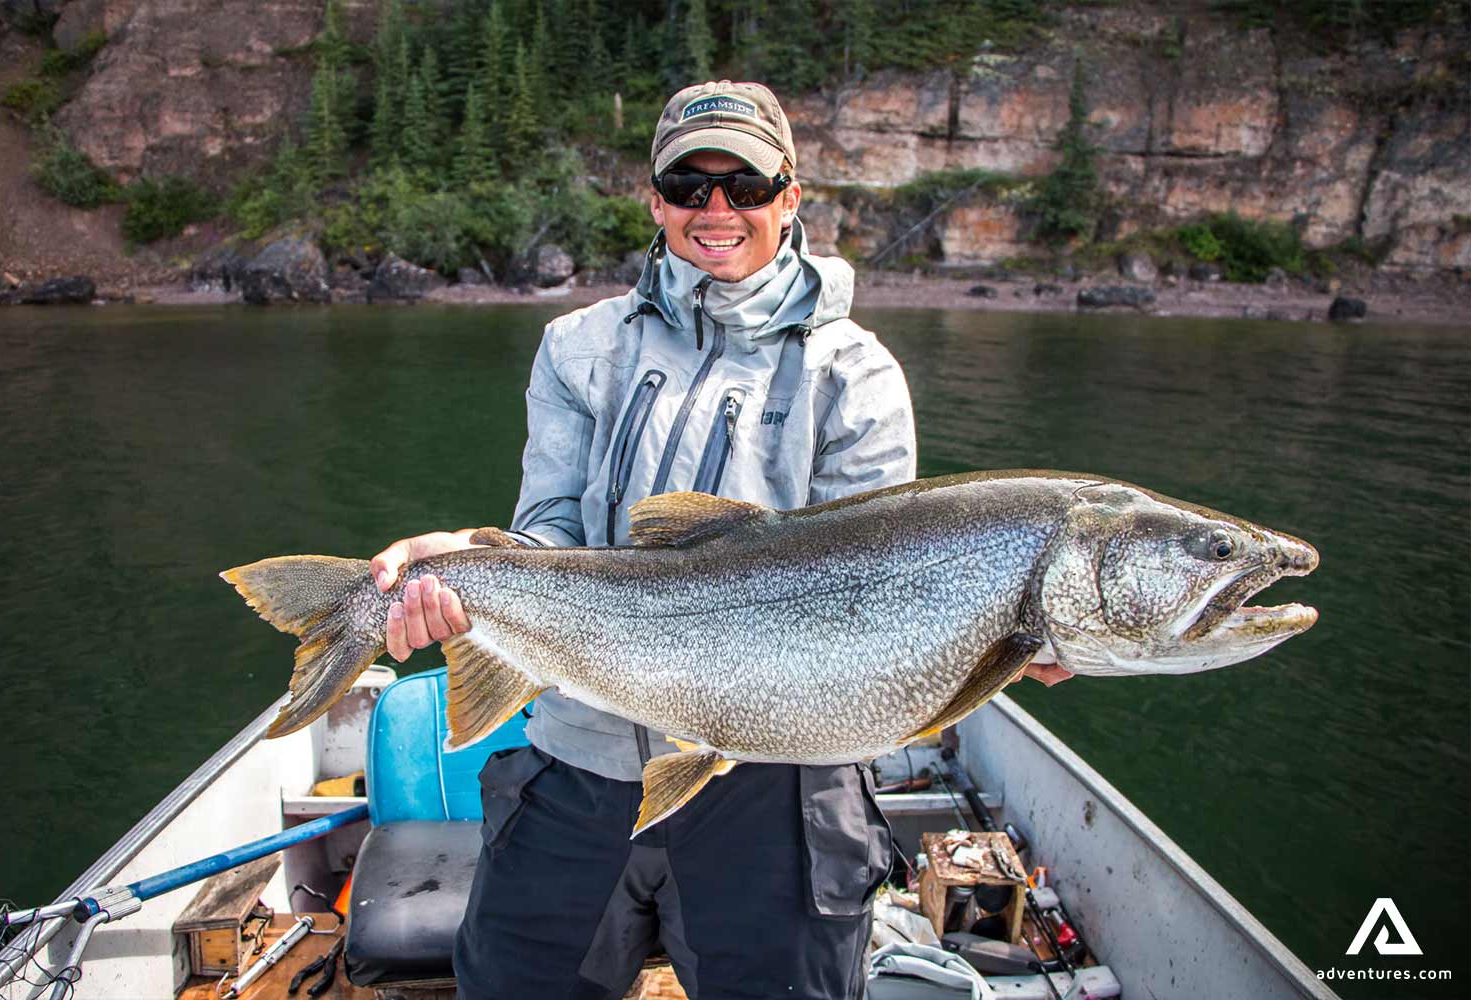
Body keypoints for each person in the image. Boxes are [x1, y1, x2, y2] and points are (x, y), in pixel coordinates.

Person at [369, 80, 1070, 1000]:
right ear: (655, 199)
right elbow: (551, 532)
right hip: (581, 756)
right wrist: (471, 556)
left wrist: (995, 643)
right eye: (689, 186)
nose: (717, 210)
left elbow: (876, 594)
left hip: (778, 781)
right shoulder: (576, 348)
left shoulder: (854, 375)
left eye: (743, 184)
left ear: (789, 196)